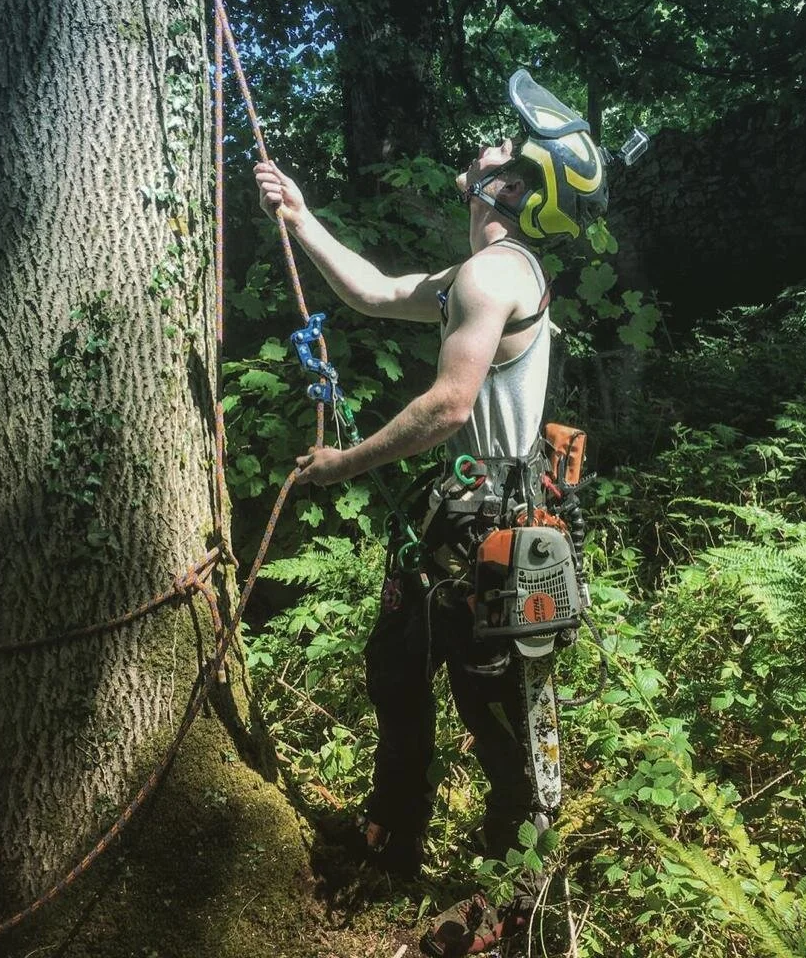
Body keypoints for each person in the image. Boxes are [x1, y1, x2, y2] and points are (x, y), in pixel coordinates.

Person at [254, 69, 608, 957]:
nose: (484, 148)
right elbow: (372, 291)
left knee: (499, 716)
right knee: (398, 673)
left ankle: (515, 911)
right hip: (452, 516)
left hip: (496, 522)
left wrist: (342, 463)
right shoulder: (472, 271)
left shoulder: (498, 272)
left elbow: (450, 406)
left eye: (501, 148)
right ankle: (395, 834)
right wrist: (302, 218)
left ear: (516, 187)